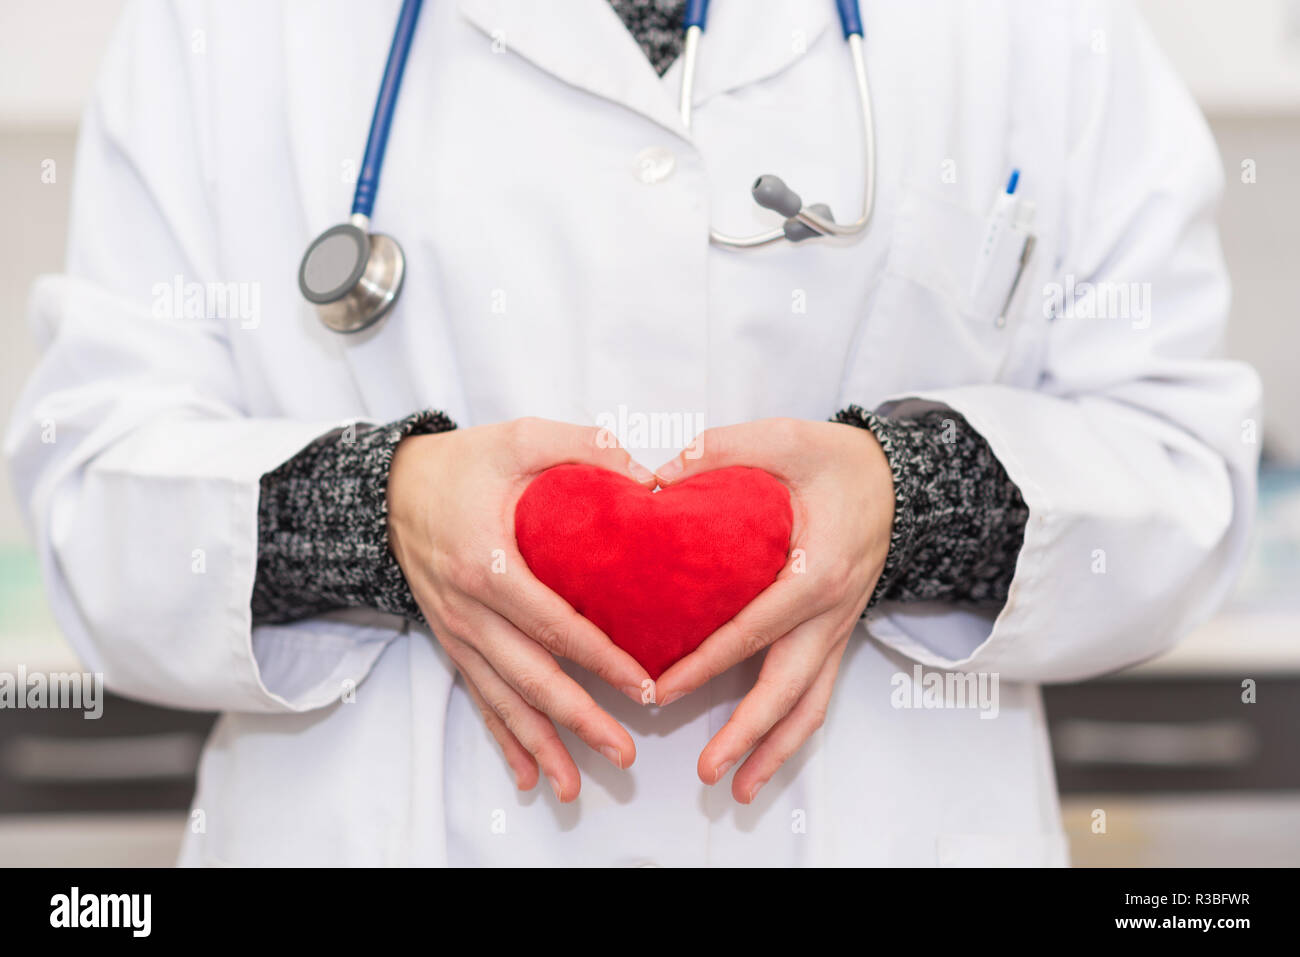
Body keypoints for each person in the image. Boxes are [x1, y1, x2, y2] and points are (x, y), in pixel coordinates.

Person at [5, 0, 1260, 866]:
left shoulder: (1039, 30)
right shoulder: (226, 31)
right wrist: (377, 513)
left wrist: (912, 501)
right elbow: (96, 494)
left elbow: (1177, 461)